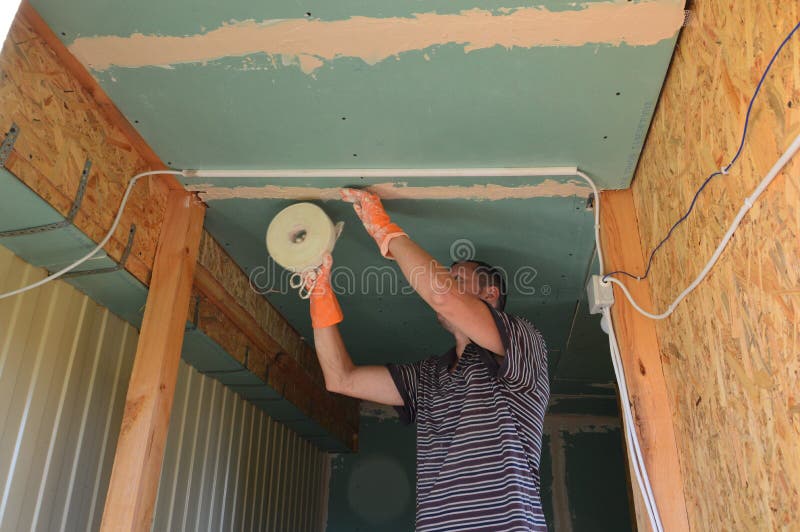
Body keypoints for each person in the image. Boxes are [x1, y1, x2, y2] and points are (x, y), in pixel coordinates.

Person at [308, 188, 550, 531]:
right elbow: (341, 378)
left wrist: (386, 231)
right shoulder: (428, 377)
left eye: (457, 278)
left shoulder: (524, 343)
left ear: (489, 294)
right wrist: (320, 297)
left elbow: (442, 296)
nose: (446, 282)